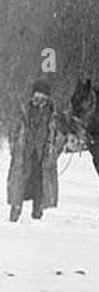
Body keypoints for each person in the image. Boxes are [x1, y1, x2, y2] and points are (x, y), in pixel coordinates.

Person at [7, 79, 62, 222]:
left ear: (47, 98)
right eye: (37, 95)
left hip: (43, 155)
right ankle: (15, 211)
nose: (39, 98)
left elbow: (58, 135)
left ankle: (37, 213)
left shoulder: (52, 114)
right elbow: (14, 129)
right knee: (20, 182)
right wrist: (15, 146)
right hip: (24, 153)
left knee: (40, 184)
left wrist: (54, 150)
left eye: (42, 96)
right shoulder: (24, 109)